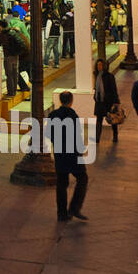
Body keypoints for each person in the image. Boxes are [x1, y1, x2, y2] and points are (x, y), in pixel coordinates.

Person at [50, 91, 88, 222]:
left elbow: (49, 134)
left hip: (60, 154)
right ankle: (74, 208)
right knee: (82, 178)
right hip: (72, 154)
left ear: (60, 100)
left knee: (61, 184)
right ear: (71, 101)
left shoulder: (53, 115)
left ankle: (61, 213)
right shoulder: (72, 116)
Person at [92, 57, 119, 143]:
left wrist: (116, 101)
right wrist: (95, 96)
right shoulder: (97, 76)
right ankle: (97, 138)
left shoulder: (110, 76)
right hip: (99, 102)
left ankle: (115, 136)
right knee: (99, 120)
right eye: (97, 65)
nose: (99, 66)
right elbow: (96, 89)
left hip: (108, 101)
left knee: (112, 119)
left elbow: (114, 89)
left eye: (100, 65)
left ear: (104, 66)